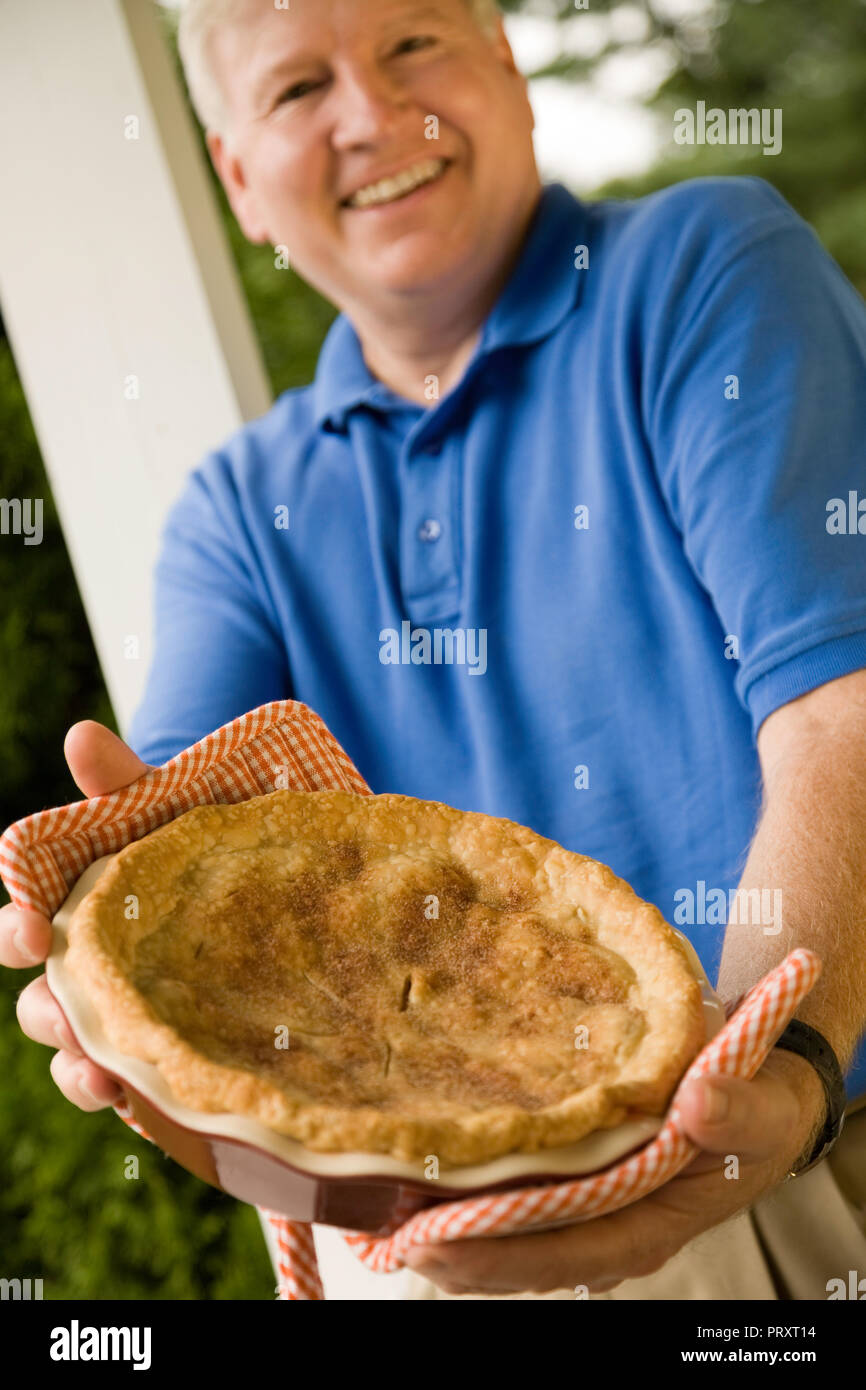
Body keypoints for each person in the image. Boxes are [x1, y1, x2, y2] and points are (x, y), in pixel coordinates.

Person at [4, 0, 866, 1301]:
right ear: (238, 179)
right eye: (296, 89)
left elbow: (839, 706)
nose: (370, 113)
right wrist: (102, 965)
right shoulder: (240, 506)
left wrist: (772, 1076)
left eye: (412, 42)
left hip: (806, 1167)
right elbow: (172, 856)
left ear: (506, 70)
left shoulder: (703, 267)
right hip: (423, 1238)